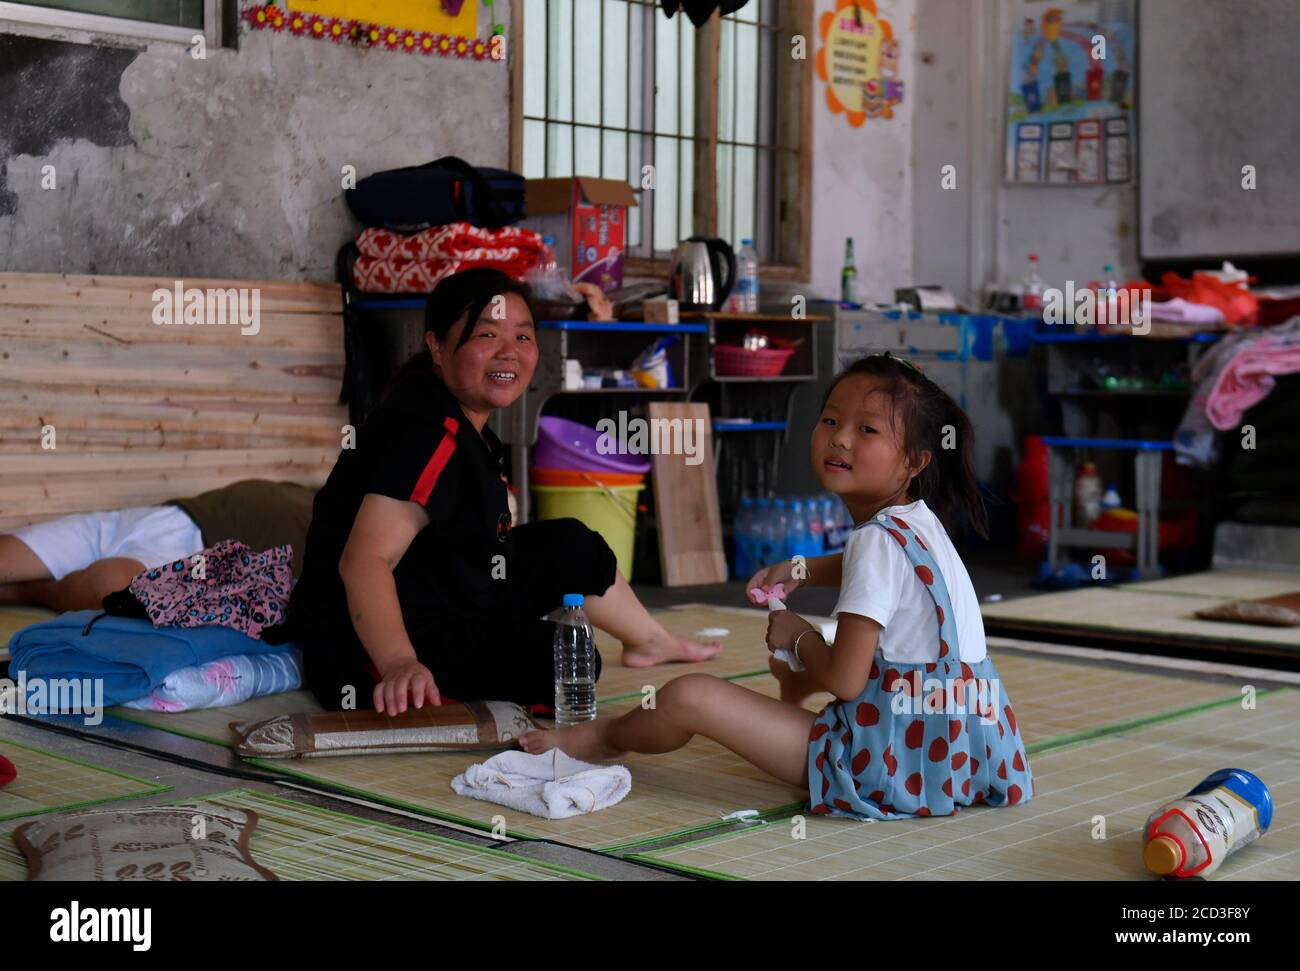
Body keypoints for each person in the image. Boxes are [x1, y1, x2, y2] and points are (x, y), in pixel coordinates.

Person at [521, 353, 1034, 821]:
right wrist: (802, 568)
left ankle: (604, 737)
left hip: (884, 765)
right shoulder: (918, 523)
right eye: (830, 420)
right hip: (962, 753)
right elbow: (882, 577)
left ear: (915, 461)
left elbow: (848, 683)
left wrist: (795, 634)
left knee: (688, 695)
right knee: (820, 659)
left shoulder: (875, 543)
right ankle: (794, 691)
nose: (840, 438)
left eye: (867, 429)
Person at [287, 268, 721, 715]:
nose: (509, 354)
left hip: (442, 587)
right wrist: (400, 663)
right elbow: (363, 561)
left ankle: (650, 640)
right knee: (568, 661)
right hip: (371, 651)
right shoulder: (425, 436)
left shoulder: (451, 414)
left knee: (572, 545)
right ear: (436, 346)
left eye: (522, 337)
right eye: (487, 335)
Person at [0, 480, 315, 611]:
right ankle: (31, 588)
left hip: (196, 559)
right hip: (163, 517)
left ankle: (27, 592)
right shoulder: (338, 493)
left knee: (115, 592)